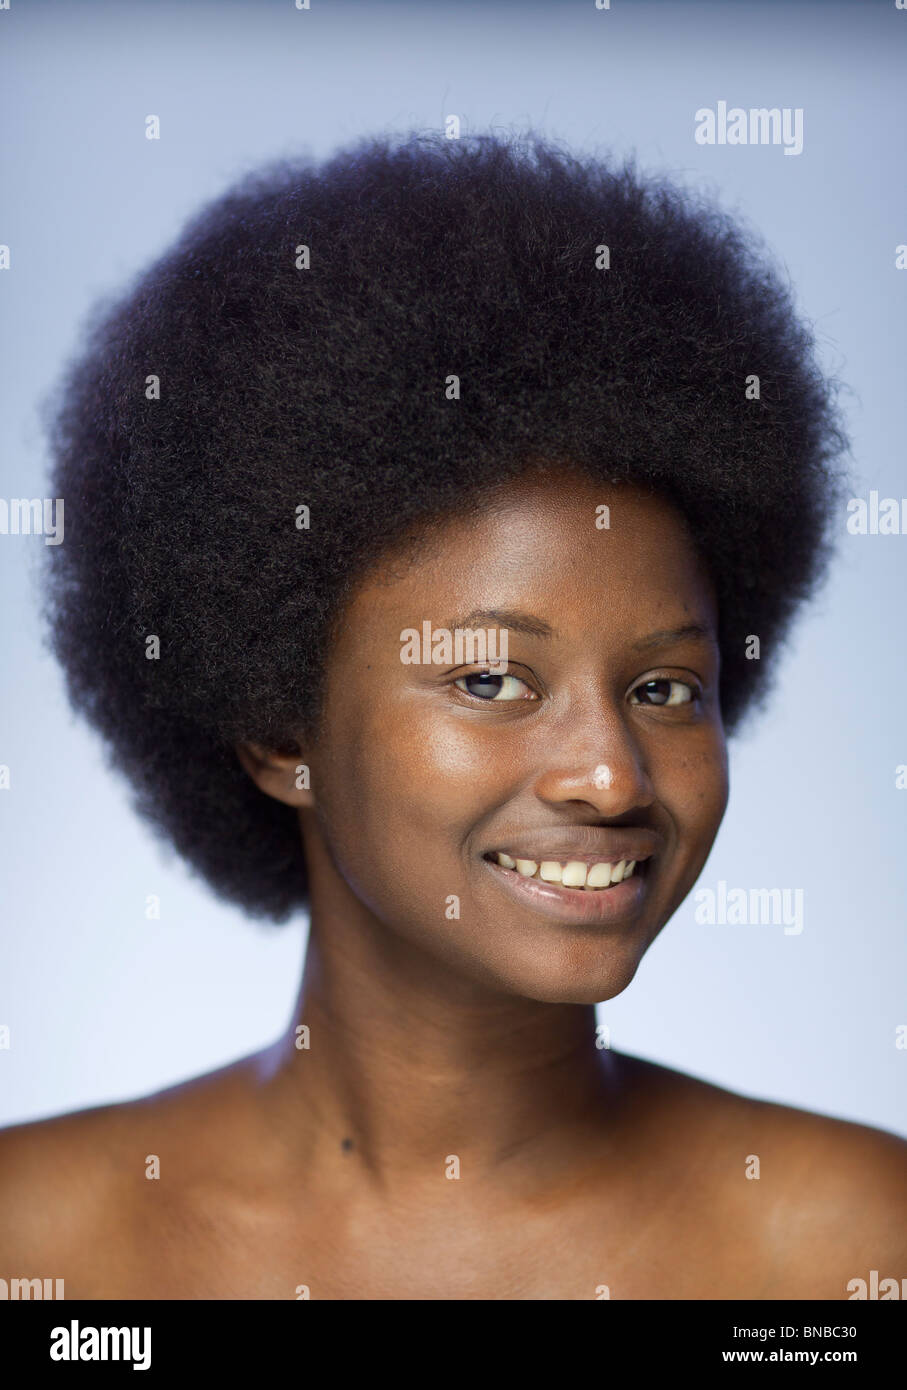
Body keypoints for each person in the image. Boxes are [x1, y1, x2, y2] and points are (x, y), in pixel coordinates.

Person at [2, 131, 903, 1299]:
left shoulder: (839, 1254)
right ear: (281, 732)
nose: (610, 776)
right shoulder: (46, 1254)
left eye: (662, 689)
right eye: (488, 680)